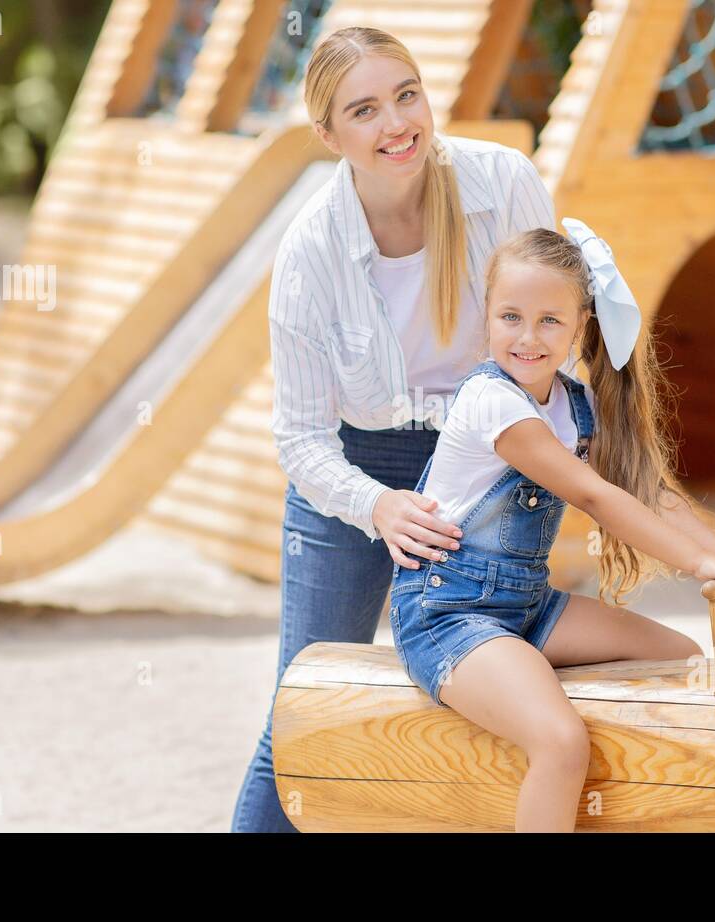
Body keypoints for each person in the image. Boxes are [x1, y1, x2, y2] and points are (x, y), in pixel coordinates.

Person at [232, 25, 563, 832]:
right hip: (354, 466)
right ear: (328, 135)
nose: (397, 124)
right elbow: (302, 439)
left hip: (479, 460)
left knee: (492, 683)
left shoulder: (503, 183)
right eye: (366, 109)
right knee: (302, 712)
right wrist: (377, 506)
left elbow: (555, 324)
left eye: (406, 95)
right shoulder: (310, 250)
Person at [387, 219, 715, 832]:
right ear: (487, 317)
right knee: (560, 741)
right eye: (511, 316)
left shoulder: (576, 404)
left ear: (580, 326)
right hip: (448, 611)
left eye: (550, 320)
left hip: (526, 606)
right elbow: (596, 497)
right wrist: (699, 565)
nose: (528, 336)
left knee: (681, 658)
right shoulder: (491, 401)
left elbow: (648, 488)